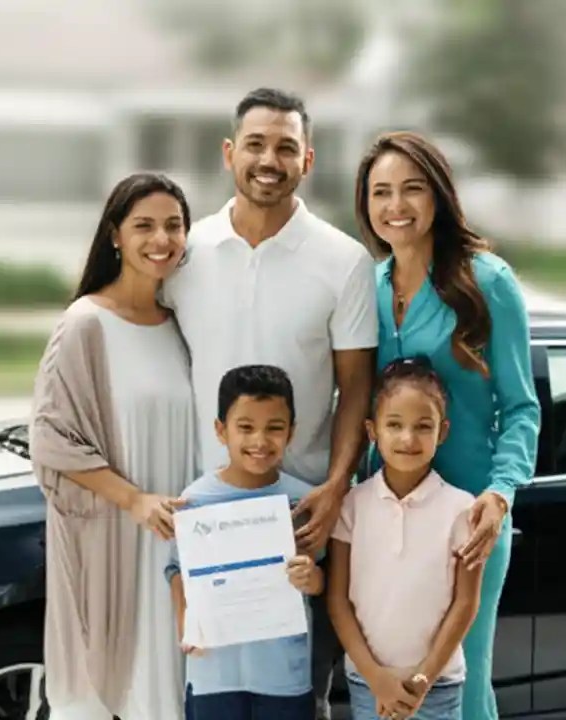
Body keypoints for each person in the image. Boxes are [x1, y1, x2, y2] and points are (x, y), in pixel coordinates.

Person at [161, 87, 377, 718]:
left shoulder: (345, 262)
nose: (269, 159)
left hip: (298, 521)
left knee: (295, 696)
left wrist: (335, 485)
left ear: (307, 161)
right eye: (256, 144)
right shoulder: (185, 253)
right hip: (205, 520)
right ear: (230, 153)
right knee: (213, 695)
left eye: (287, 147)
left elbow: (356, 386)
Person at [355, 131, 541, 719]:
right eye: (381, 192)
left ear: (438, 195)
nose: (396, 206)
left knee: (462, 681)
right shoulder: (367, 289)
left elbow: (520, 406)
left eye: (412, 189)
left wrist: (501, 492)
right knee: (389, 684)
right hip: (385, 518)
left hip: (469, 521)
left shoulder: (488, 283)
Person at [29, 172, 197, 720]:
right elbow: (52, 438)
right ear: (115, 236)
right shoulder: (85, 325)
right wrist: (134, 500)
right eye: (144, 225)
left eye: (174, 226)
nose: (161, 239)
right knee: (109, 691)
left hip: (178, 548)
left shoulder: (181, 325)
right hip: (117, 543)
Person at [329, 358, 484, 720]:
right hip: (368, 684)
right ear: (372, 430)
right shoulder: (352, 505)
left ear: (442, 432)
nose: (408, 438)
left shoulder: (462, 509)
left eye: (422, 426)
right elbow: (337, 599)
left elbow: (465, 603)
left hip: (437, 687)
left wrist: (422, 679)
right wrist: (375, 677)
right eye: (394, 425)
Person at [165, 364, 323, 720]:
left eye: (274, 428)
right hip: (213, 675)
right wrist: (186, 621)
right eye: (245, 428)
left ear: (291, 433)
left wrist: (311, 579)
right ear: (221, 431)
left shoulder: (304, 501)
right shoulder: (195, 500)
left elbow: (323, 576)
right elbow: (176, 569)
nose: (259, 441)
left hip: (283, 675)